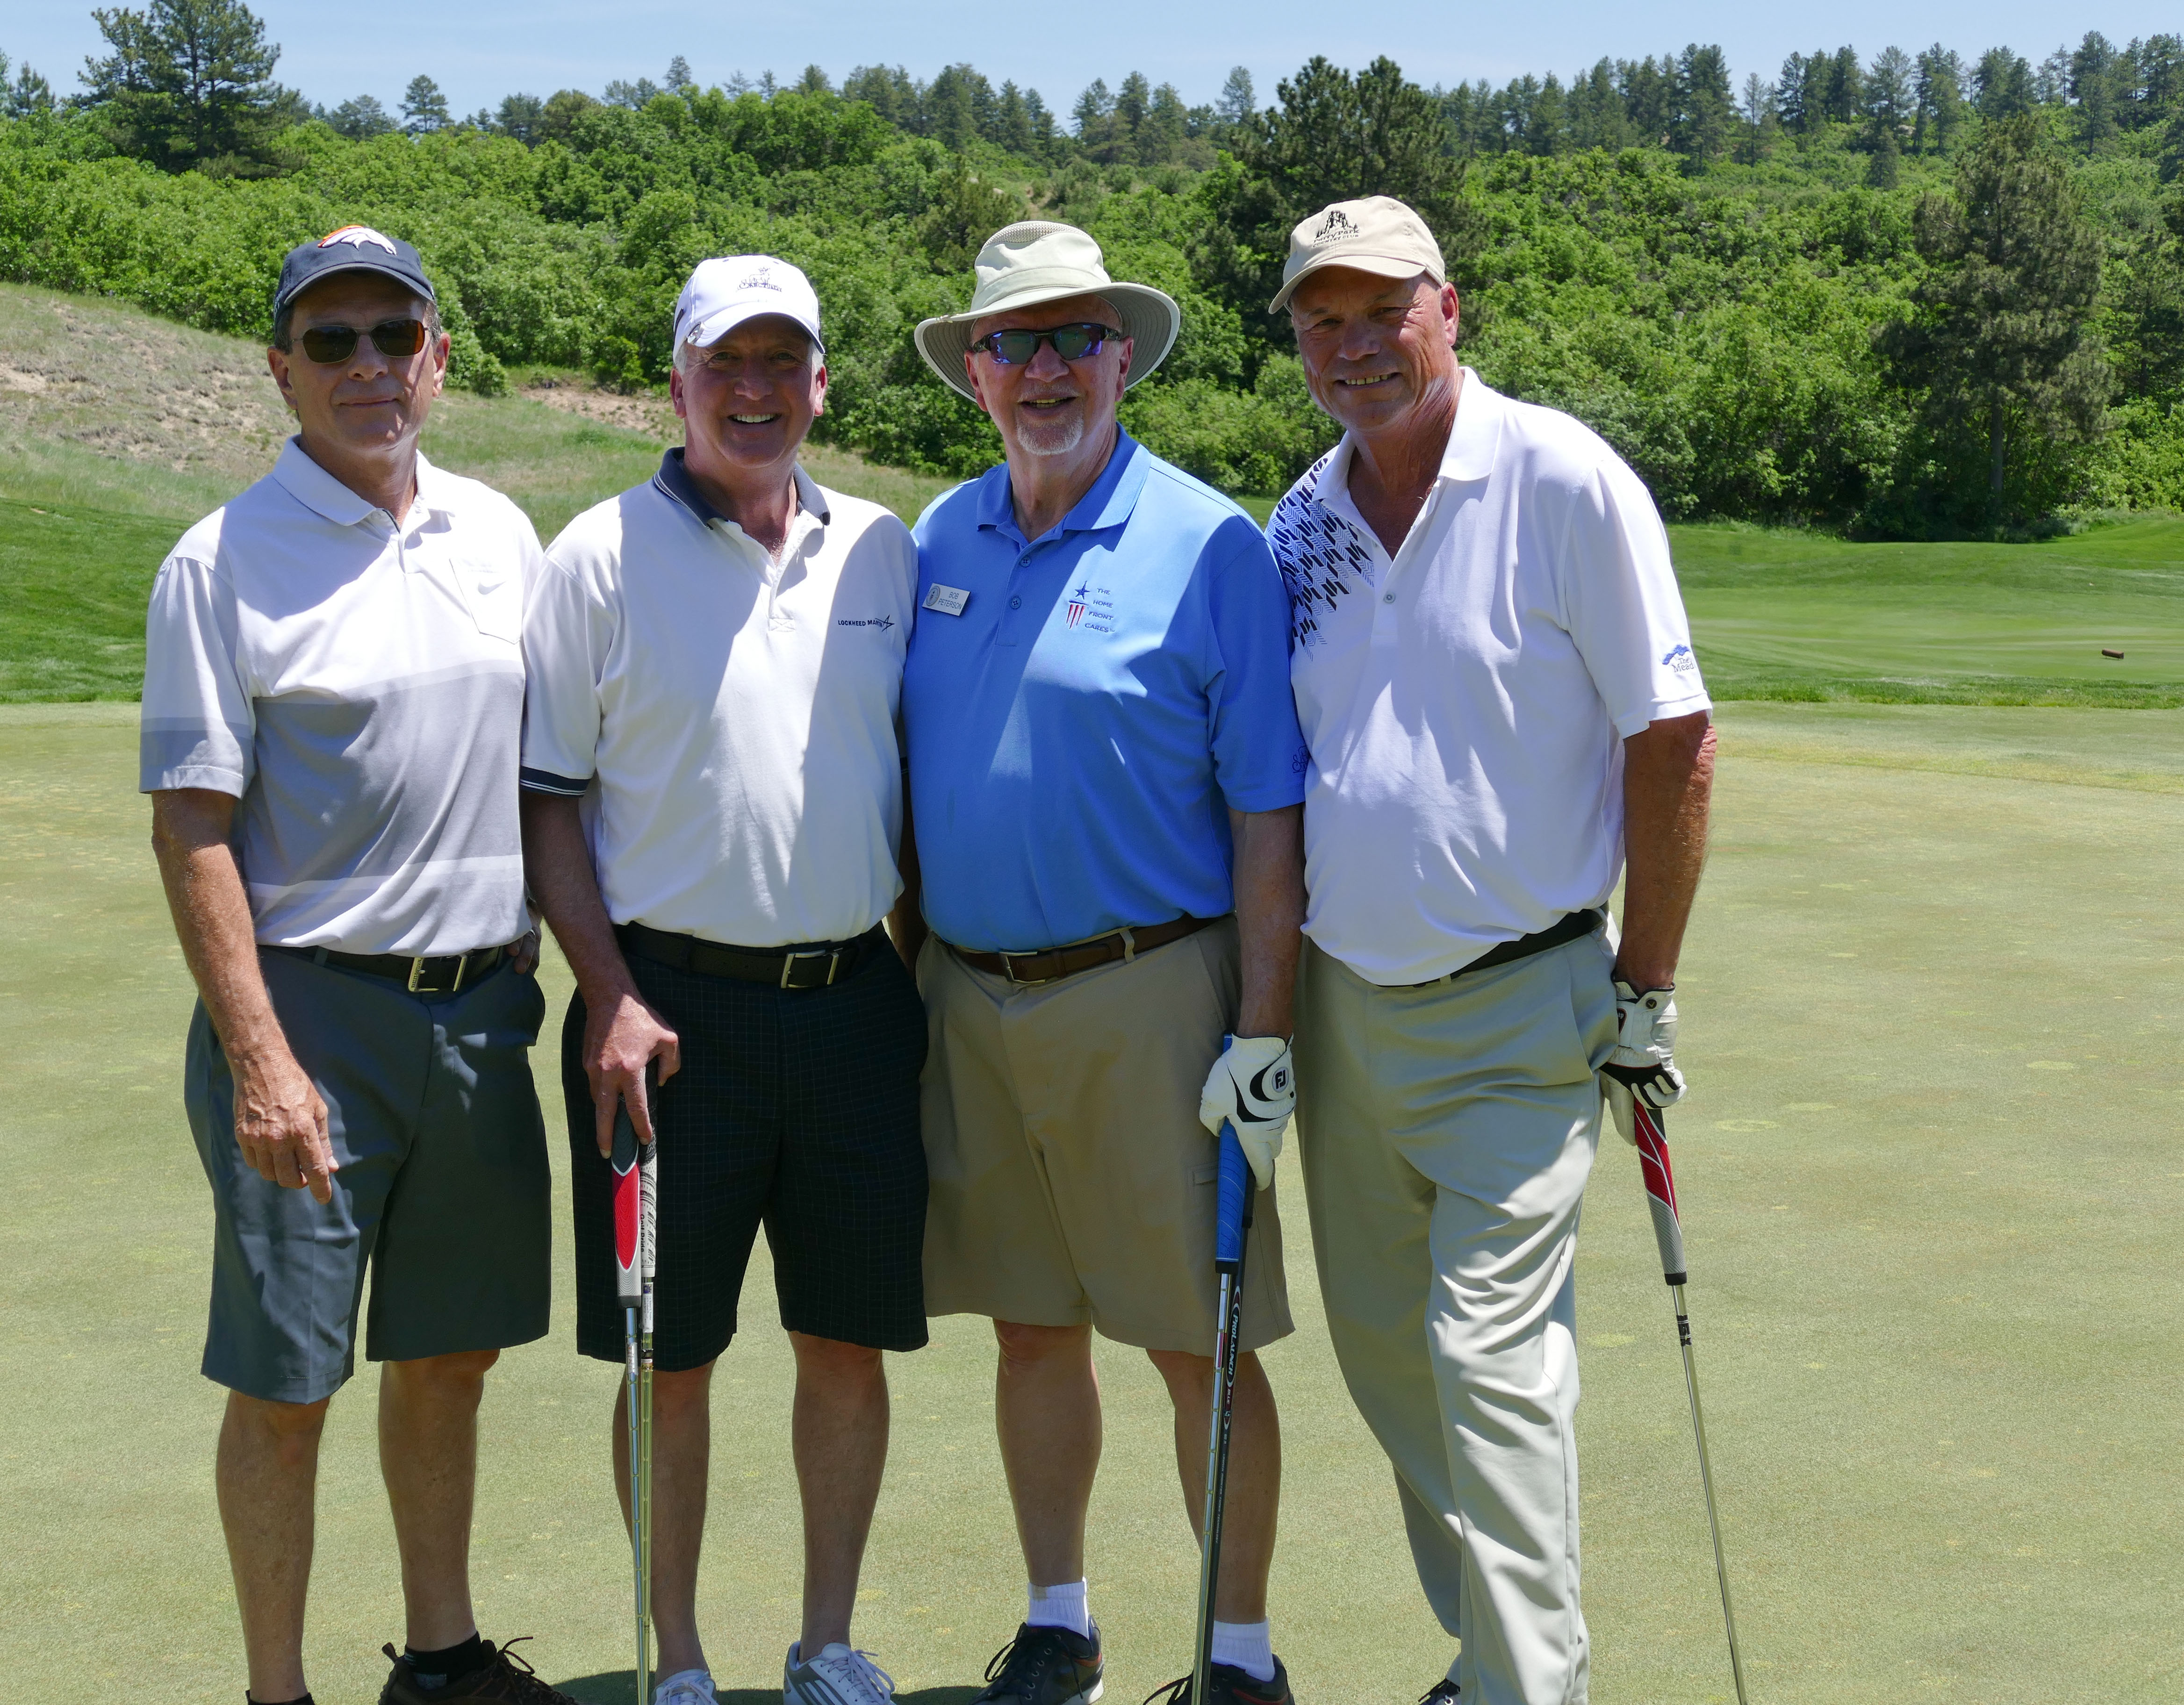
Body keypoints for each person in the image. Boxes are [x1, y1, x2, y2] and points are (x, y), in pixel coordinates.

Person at [1261, 196, 1716, 1705]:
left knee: (1490, 1365)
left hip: (1525, 1003)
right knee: (1391, 1366)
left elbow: (1675, 739)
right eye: (1321, 321)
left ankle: (1535, 1687)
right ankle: (1500, 1649)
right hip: (1344, 1015)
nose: (1353, 346)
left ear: (1447, 309)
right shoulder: (1302, 520)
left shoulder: (1563, 477)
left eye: (1380, 311)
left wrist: (1644, 987)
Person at [143, 225, 580, 1705]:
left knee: (450, 1355)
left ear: (438, 358)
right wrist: (261, 1059)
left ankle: (442, 1657)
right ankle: (278, 1690)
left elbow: (543, 783)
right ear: (280, 369)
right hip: (312, 1019)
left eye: (391, 337)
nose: (365, 369)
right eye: (328, 344)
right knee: (287, 1386)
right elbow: (195, 827)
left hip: (477, 1022)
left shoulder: (499, 534)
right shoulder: (219, 562)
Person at [900, 222, 1310, 1705]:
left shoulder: (1212, 545)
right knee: (1029, 1323)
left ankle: (1239, 1656)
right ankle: (1059, 1617)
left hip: (1152, 995)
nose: (1047, 368)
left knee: (1198, 1343)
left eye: (1077, 337)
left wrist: (1265, 1029)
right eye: (1016, 343)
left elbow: (1269, 810)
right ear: (978, 376)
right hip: (969, 995)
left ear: (1124, 356)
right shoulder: (938, 537)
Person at [518, 255, 927, 1705]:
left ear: (824, 380)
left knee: (844, 1341)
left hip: (859, 1011)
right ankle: (679, 1660)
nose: (754, 391)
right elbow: (549, 800)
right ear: (677, 381)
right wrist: (609, 990)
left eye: (783, 363)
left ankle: (827, 1642)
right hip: (665, 1022)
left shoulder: (885, 549)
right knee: (670, 1356)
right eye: (724, 364)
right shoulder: (595, 558)